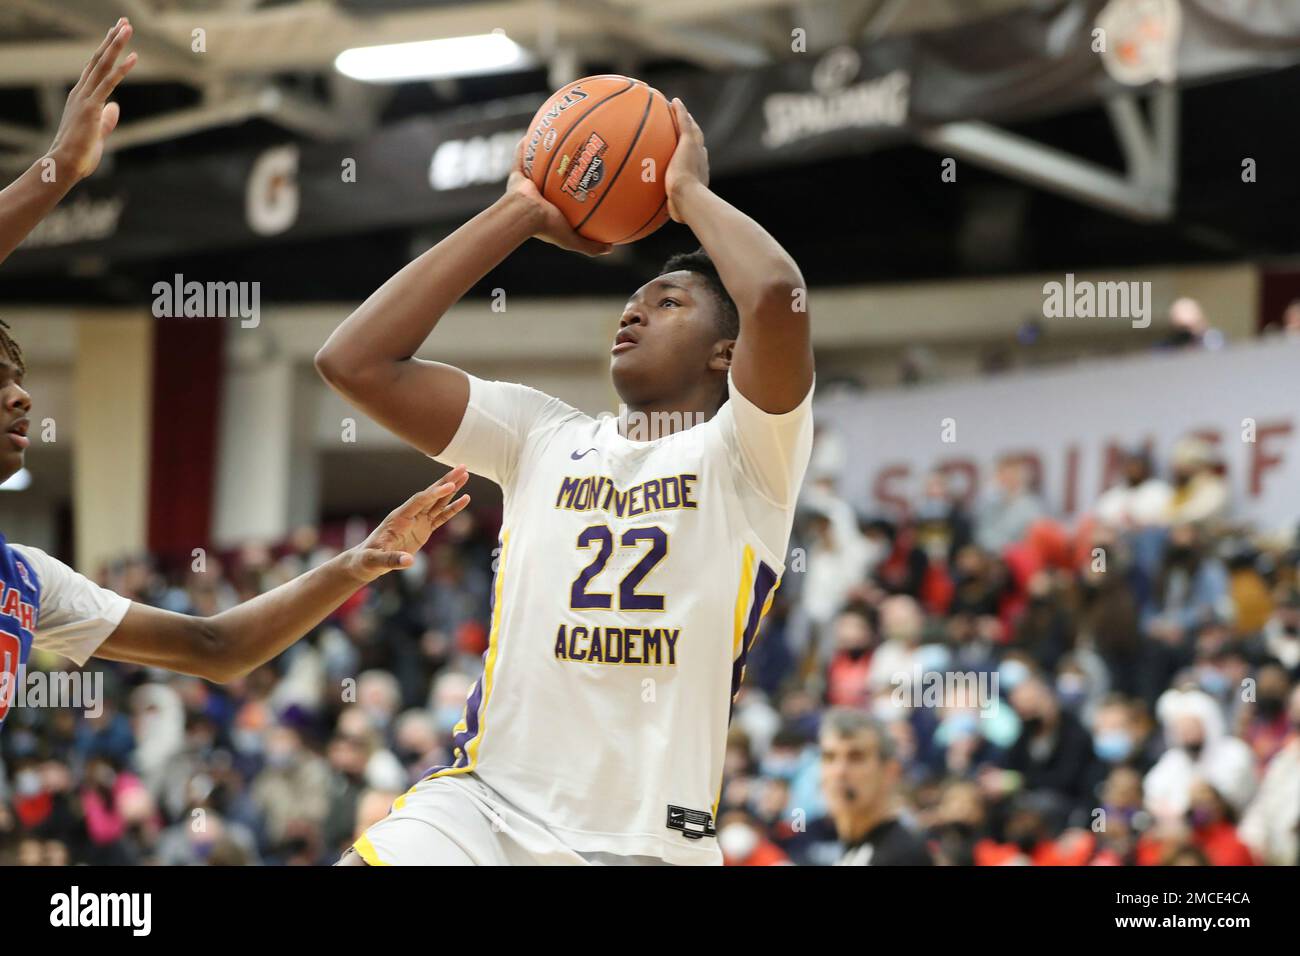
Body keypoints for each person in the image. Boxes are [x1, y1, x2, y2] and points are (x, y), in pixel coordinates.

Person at [317, 99, 814, 865]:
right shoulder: (540, 434)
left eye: (667, 302)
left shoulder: (750, 456)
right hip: (485, 805)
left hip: (649, 838)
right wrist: (516, 211)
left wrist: (688, 198)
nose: (635, 312)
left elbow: (778, 297)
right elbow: (353, 362)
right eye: (632, 301)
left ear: (726, 353)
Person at [0, 21, 473, 733]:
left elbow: (216, 646)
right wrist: (58, 170)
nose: (21, 394)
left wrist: (355, 565)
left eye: (18, 376)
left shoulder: (27, 581)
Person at [818, 708, 933, 865]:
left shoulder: (903, 856)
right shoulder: (856, 850)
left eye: (856, 757)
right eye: (829, 757)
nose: (839, 772)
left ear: (890, 771)